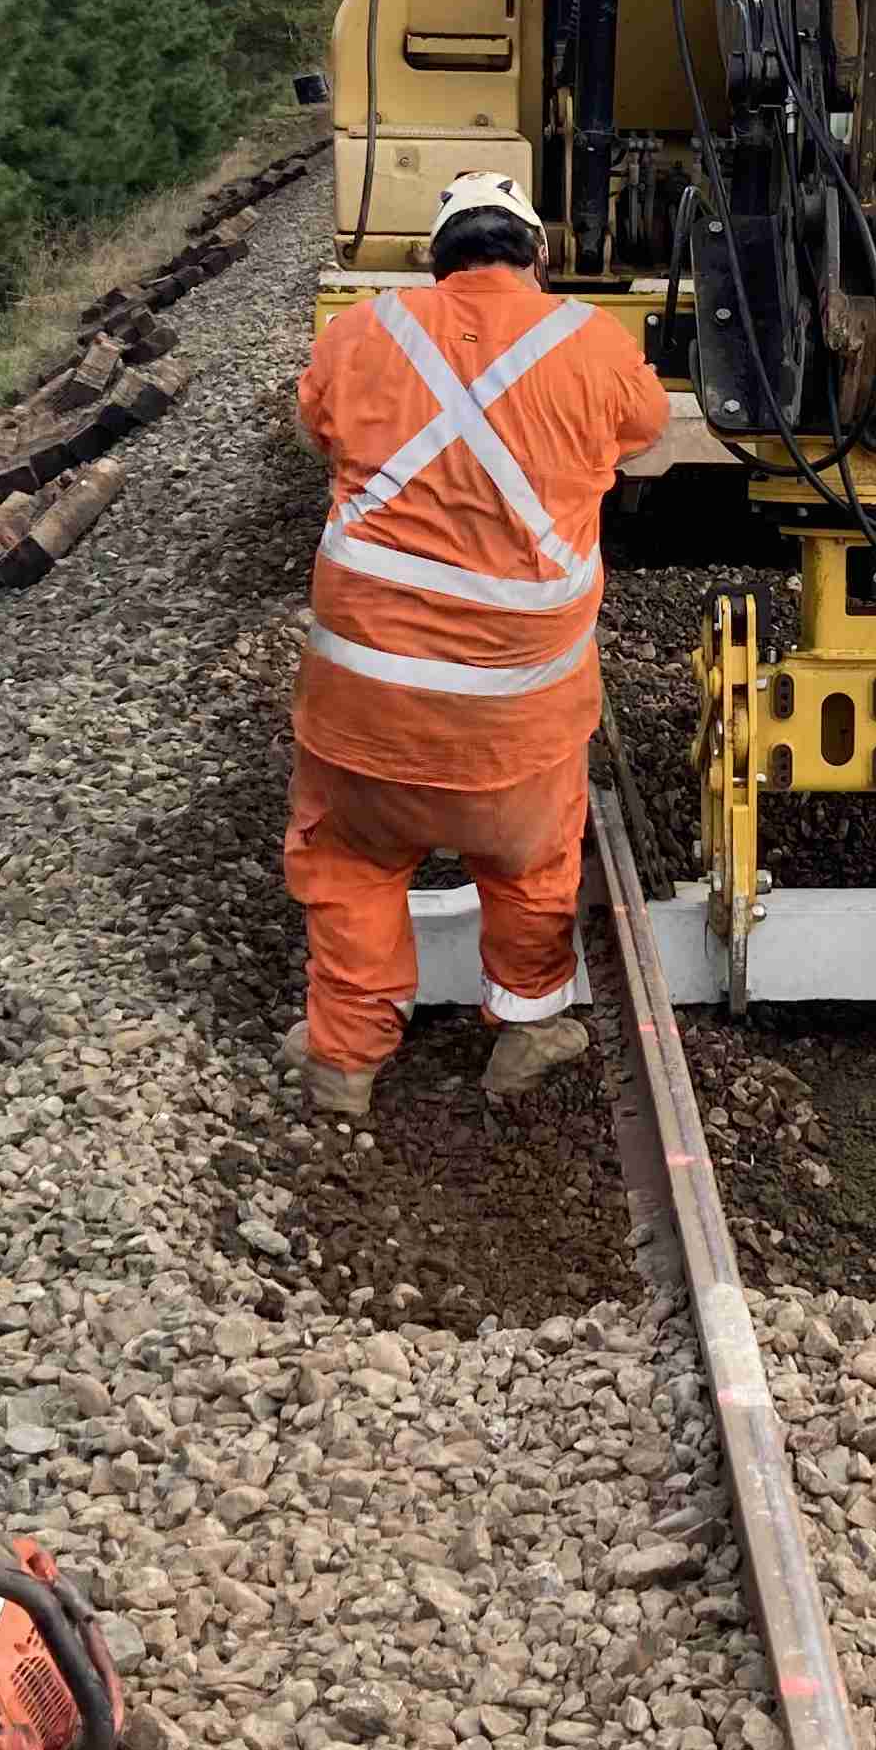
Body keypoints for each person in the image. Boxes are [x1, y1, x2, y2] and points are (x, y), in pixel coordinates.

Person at [284, 170, 671, 1122]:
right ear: (537, 256)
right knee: (531, 864)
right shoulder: (589, 341)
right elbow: (649, 426)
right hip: (517, 719)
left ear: (434, 257)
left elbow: (314, 424)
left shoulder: (361, 331)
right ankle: (528, 1031)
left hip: (363, 712)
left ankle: (345, 1058)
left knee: (353, 867)